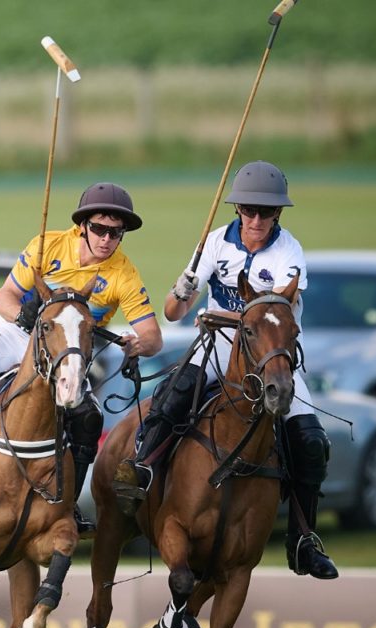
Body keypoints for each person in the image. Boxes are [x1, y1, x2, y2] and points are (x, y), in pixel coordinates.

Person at [112, 160, 339, 580]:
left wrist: (222, 316)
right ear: (237, 210)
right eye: (248, 210)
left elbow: (272, 313)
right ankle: (141, 470)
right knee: (173, 397)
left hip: (271, 354)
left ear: (278, 215)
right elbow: (174, 312)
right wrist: (183, 290)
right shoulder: (216, 243)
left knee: (310, 441)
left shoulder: (289, 251)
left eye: (265, 212)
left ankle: (304, 539)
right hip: (218, 349)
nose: (255, 219)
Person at [0, 183, 163, 533]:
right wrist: (22, 315)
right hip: (13, 336)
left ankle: (68, 507)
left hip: (64, 354)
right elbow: (3, 296)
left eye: (116, 233)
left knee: (88, 419)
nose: (107, 239)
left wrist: (136, 344)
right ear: (82, 225)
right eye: (99, 229)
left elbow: (153, 337)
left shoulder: (122, 274)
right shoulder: (46, 246)